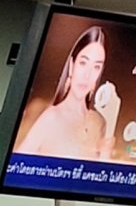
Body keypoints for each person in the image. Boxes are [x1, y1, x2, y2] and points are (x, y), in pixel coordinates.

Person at [14, 24, 119, 162]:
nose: (87, 74)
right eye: (83, 63)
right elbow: (16, 166)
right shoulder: (51, 117)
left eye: (96, 67)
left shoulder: (98, 122)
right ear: (71, 65)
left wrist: (106, 153)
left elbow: (99, 176)